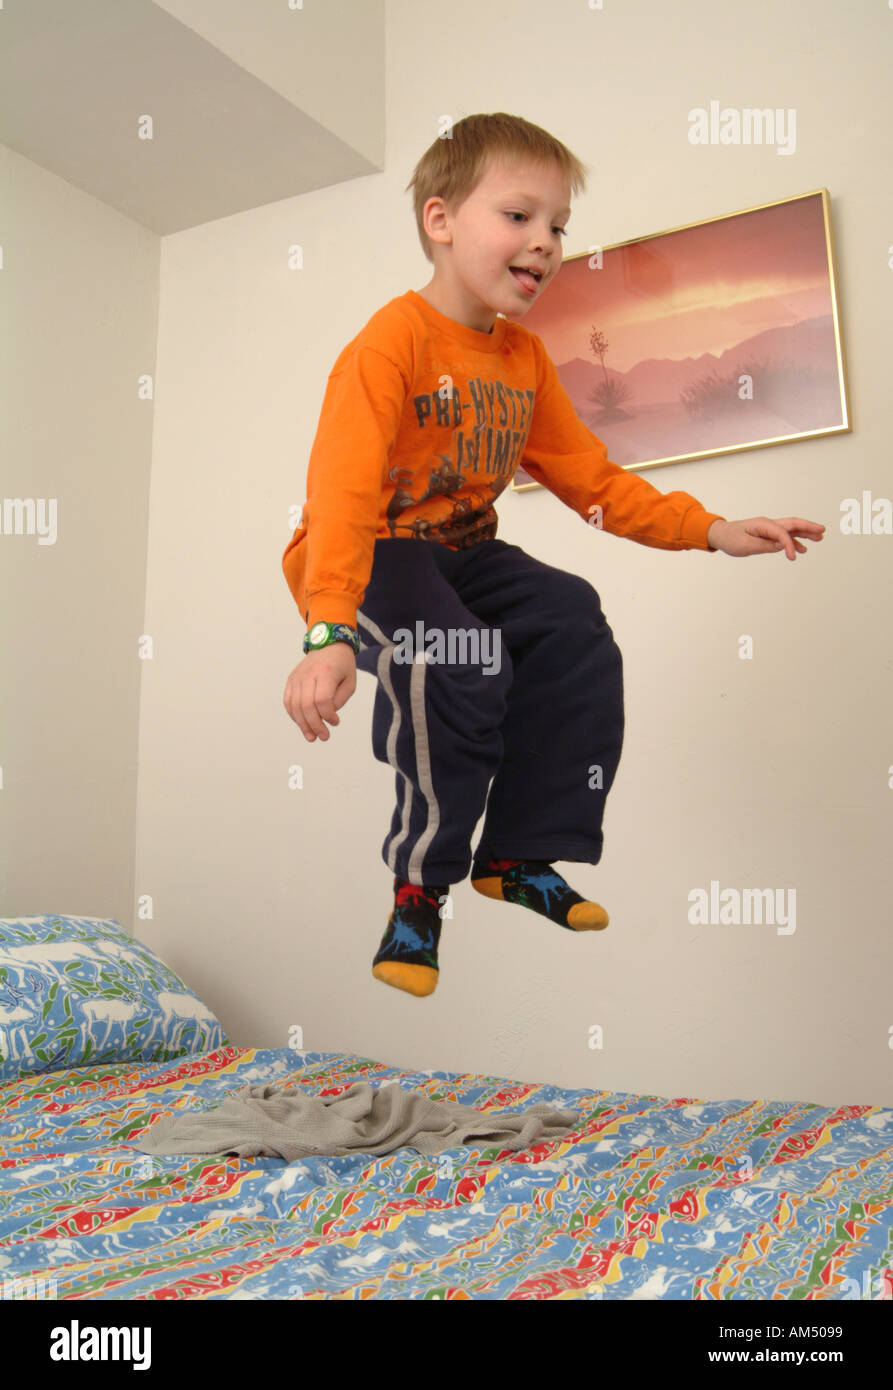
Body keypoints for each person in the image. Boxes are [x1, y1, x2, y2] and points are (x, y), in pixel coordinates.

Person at [281, 111, 824, 999]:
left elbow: (591, 479)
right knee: (455, 662)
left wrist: (712, 529)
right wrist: (328, 630)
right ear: (441, 219)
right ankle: (420, 890)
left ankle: (519, 852)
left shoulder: (525, 360)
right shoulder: (391, 344)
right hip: (369, 557)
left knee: (569, 616)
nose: (545, 242)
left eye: (559, 225)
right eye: (520, 216)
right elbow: (339, 493)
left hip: (463, 551)